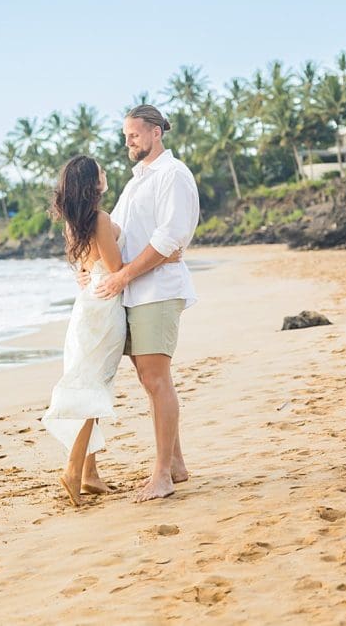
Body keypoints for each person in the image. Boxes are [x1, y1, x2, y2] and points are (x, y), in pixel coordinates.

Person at [93, 104, 200, 503]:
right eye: (126, 136)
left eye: (134, 135)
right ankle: (175, 463)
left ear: (156, 132)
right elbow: (118, 233)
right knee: (149, 382)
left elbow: (170, 237)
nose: (128, 142)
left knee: (157, 381)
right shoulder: (137, 180)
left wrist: (123, 275)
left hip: (157, 290)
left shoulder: (172, 175)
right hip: (137, 291)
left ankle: (161, 476)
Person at [41, 156, 128, 507]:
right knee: (93, 389)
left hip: (87, 305)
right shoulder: (101, 220)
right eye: (101, 172)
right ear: (93, 183)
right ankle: (74, 469)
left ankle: (90, 474)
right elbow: (115, 267)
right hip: (104, 307)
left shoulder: (73, 223)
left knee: (93, 385)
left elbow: (84, 267)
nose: (105, 175)